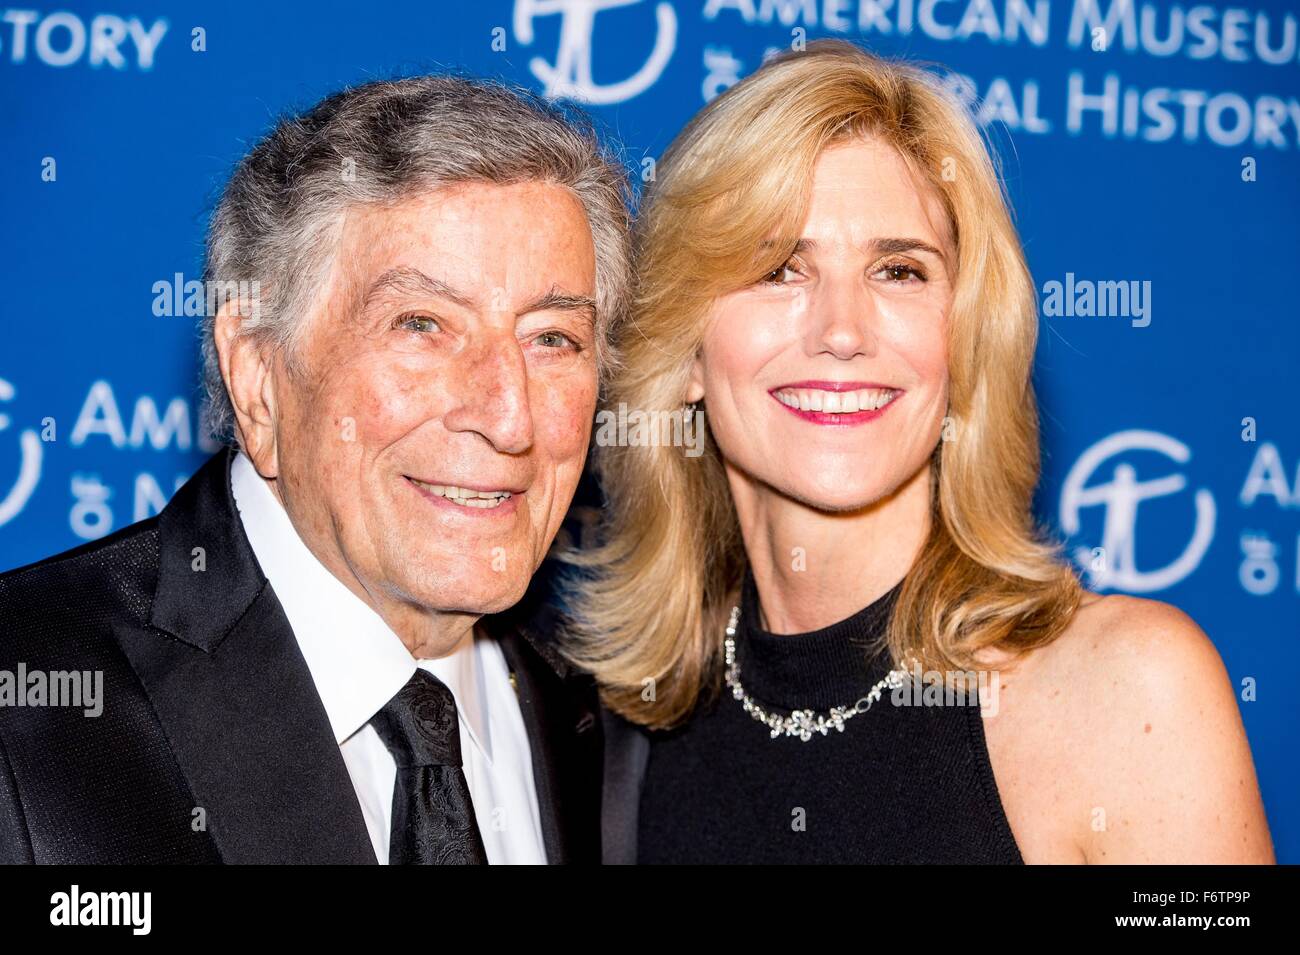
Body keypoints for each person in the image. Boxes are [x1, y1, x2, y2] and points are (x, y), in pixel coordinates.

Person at [567, 41, 1275, 864]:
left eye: (899, 270)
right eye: (779, 268)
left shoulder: (1127, 691)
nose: (841, 331)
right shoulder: (625, 728)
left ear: (967, 335)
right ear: (685, 351)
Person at [0, 74, 630, 864]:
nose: (509, 417)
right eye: (422, 325)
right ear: (260, 378)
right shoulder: (25, 704)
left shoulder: (610, 730)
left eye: (552, 339)